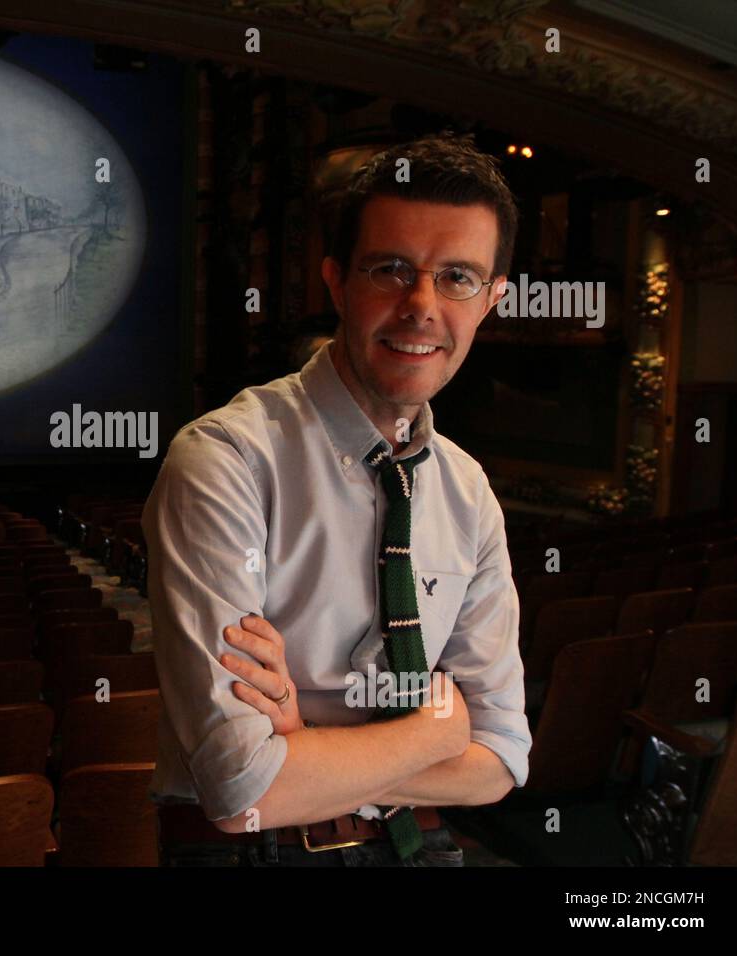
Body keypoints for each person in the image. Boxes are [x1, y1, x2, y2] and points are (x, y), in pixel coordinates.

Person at [142, 133, 532, 866]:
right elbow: (242, 787)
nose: (422, 305)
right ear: (336, 282)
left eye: (457, 277)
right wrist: (439, 728)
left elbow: (503, 756)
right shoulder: (225, 460)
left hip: (426, 849)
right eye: (391, 269)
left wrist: (307, 749)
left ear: (492, 299)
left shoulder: (469, 490)